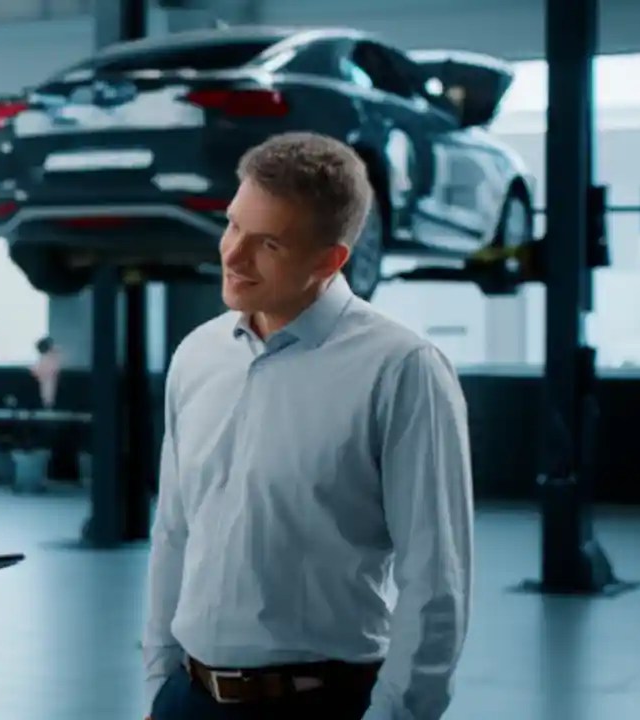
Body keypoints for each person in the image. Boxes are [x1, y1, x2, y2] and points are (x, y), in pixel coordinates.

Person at [143, 132, 474, 720]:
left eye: (267, 243)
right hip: (186, 700)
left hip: (321, 706)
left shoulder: (401, 370)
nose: (233, 256)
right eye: (232, 225)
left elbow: (435, 579)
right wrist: (159, 685)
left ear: (330, 260)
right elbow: (174, 532)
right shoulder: (198, 355)